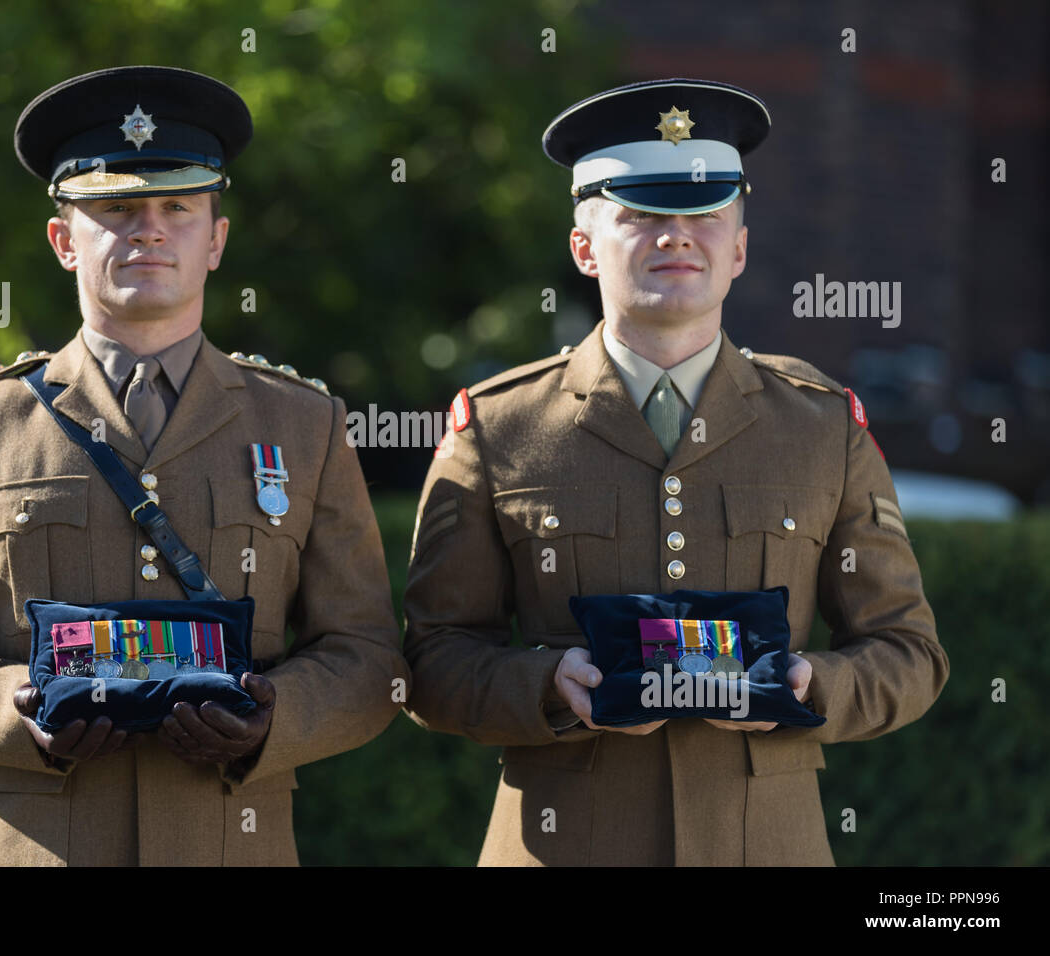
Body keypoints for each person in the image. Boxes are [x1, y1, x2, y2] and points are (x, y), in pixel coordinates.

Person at [0, 66, 407, 866]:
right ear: (62, 240)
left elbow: (368, 656)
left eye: (178, 208)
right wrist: (14, 708)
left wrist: (274, 714)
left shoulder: (304, 423)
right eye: (114, 208)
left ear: (216, 239)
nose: (148, 230)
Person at [402, 78, 949, 866]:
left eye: (703, 216)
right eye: (643, 214)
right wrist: (550, 685)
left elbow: (910, 653)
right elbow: (429, 661)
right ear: (585, 247)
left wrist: (808, 686)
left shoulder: (822, 425)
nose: (676, 236)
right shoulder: (498, 426)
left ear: (740, 248)